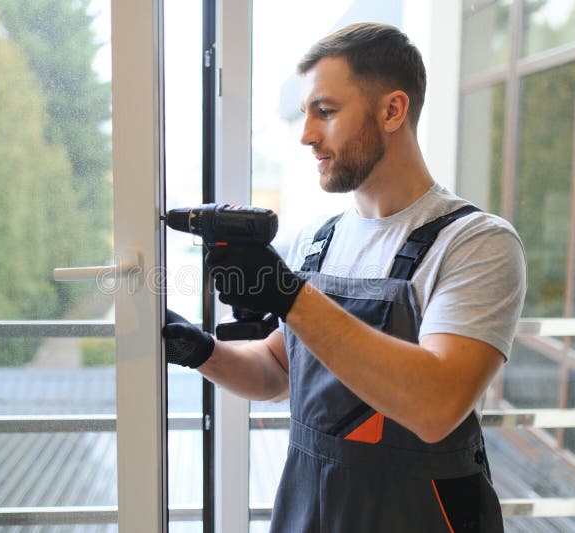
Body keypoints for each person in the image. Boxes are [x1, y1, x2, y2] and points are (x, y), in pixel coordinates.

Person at [164, 22, 526, 532]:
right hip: (311, 511)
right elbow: (278, 370)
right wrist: (202, 352)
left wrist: (289, 296)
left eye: (326, 112)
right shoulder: (319, 239)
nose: (307, 134)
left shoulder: (475, 243)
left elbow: (435, 406)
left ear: (392, 110)